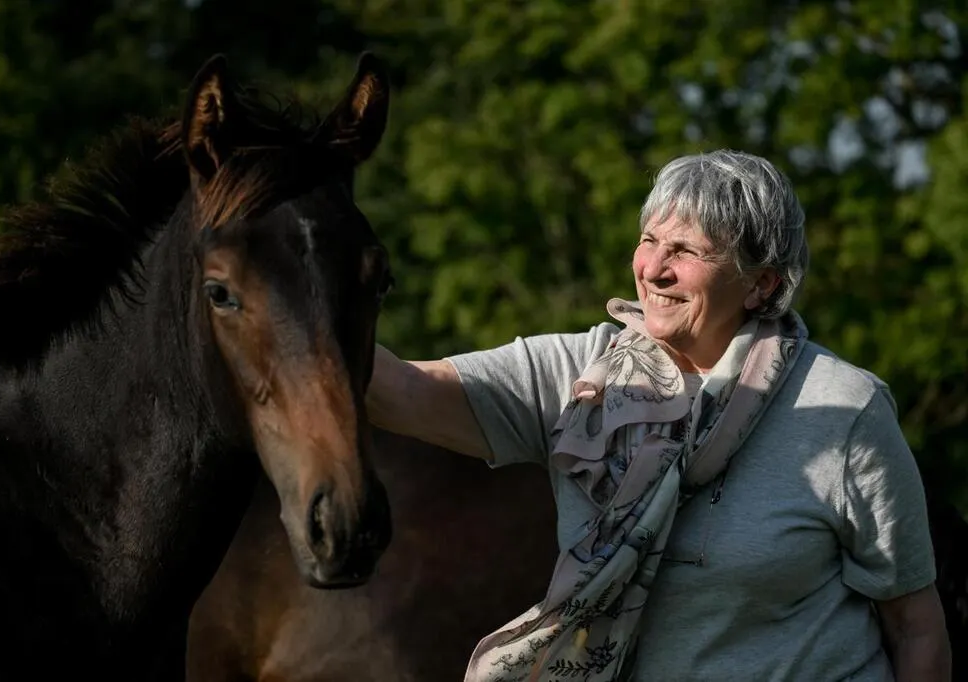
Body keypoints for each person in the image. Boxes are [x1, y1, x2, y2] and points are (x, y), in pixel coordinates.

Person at [367, 150, 951, 682]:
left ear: (761, 285)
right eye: (649, 241)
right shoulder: (579, 376)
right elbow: (397, 391)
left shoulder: (844, 409)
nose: (653, 269)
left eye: (687, 251)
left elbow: (915, 626)